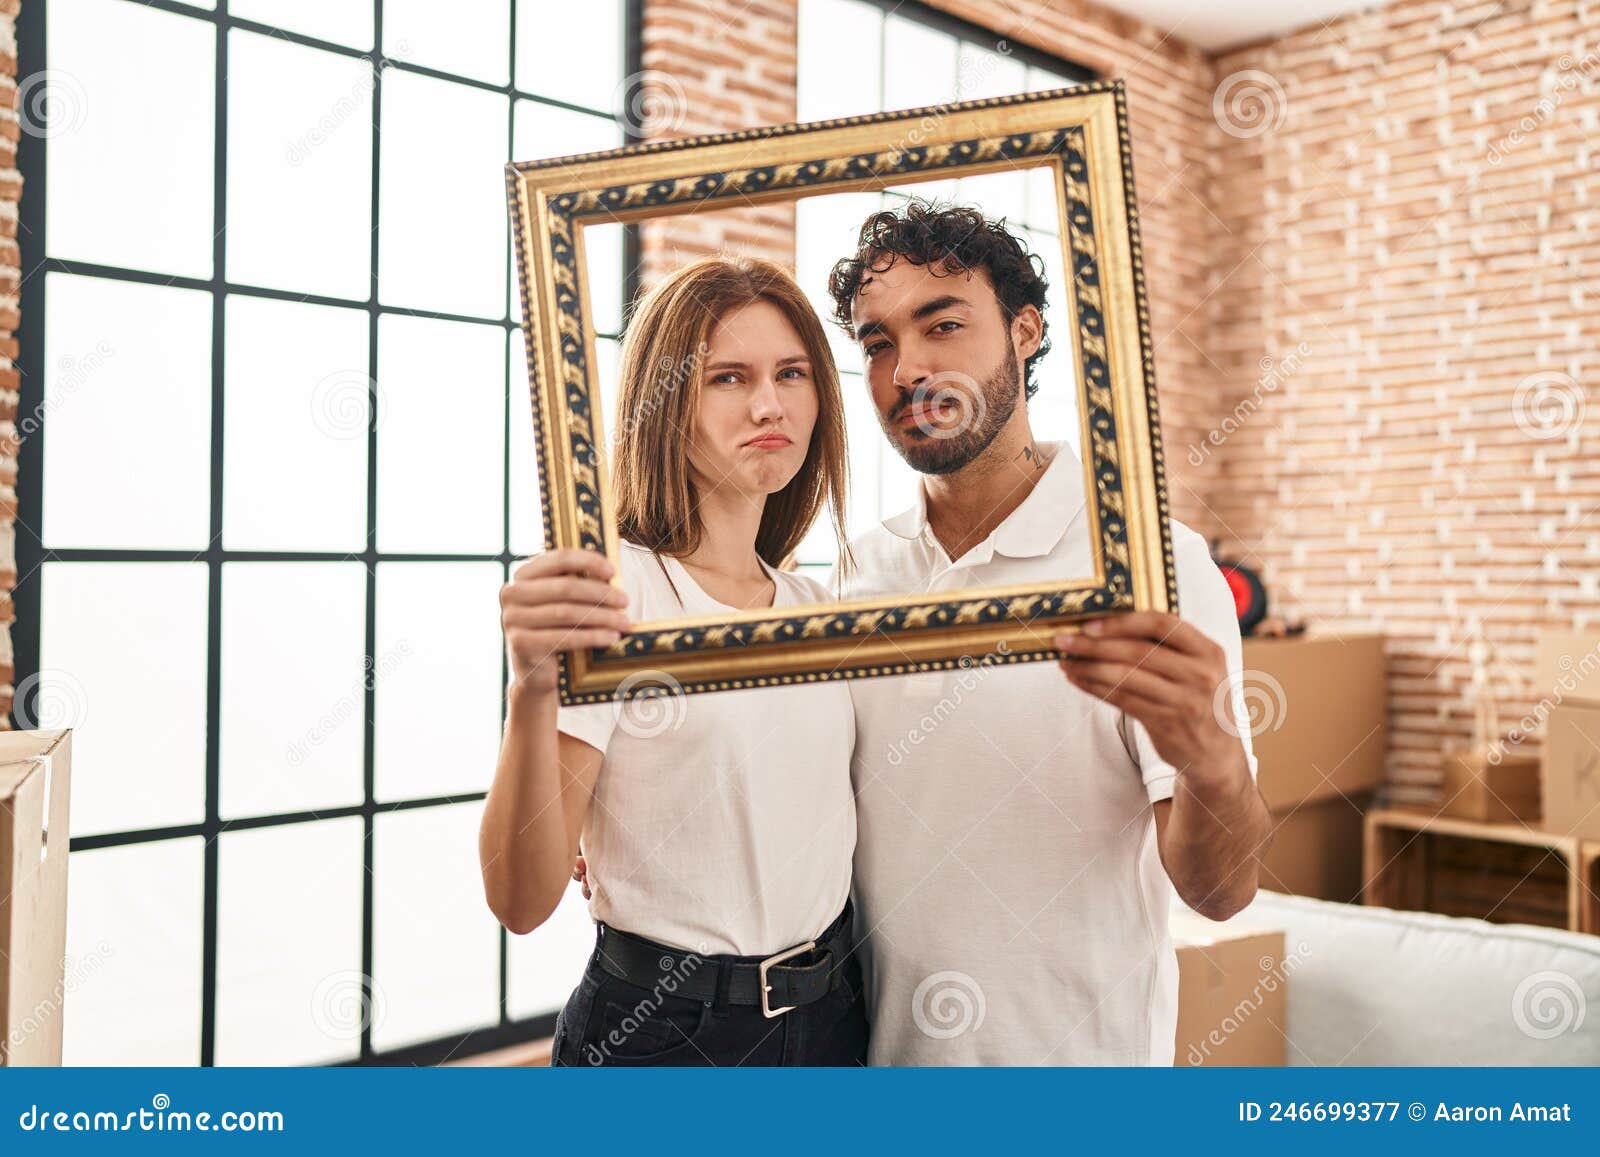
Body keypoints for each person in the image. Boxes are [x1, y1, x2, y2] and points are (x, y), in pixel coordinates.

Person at [825, 200, 1272, 1065]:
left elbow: (1221, 893)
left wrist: (1215, 758)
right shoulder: (855, 574)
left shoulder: (1151, 565)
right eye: (877, 343)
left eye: (943, 324)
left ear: (1024, 332)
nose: (908, 367)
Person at [480, 254, 868, 1066]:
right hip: (664, 1038)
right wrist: (530, 692)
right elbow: (520, 899)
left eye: (792, 373)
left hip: (832, 1022)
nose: (769, 403)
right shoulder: (619, 595)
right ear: (667, 406)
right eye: (728, 377)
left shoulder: (817, 608)